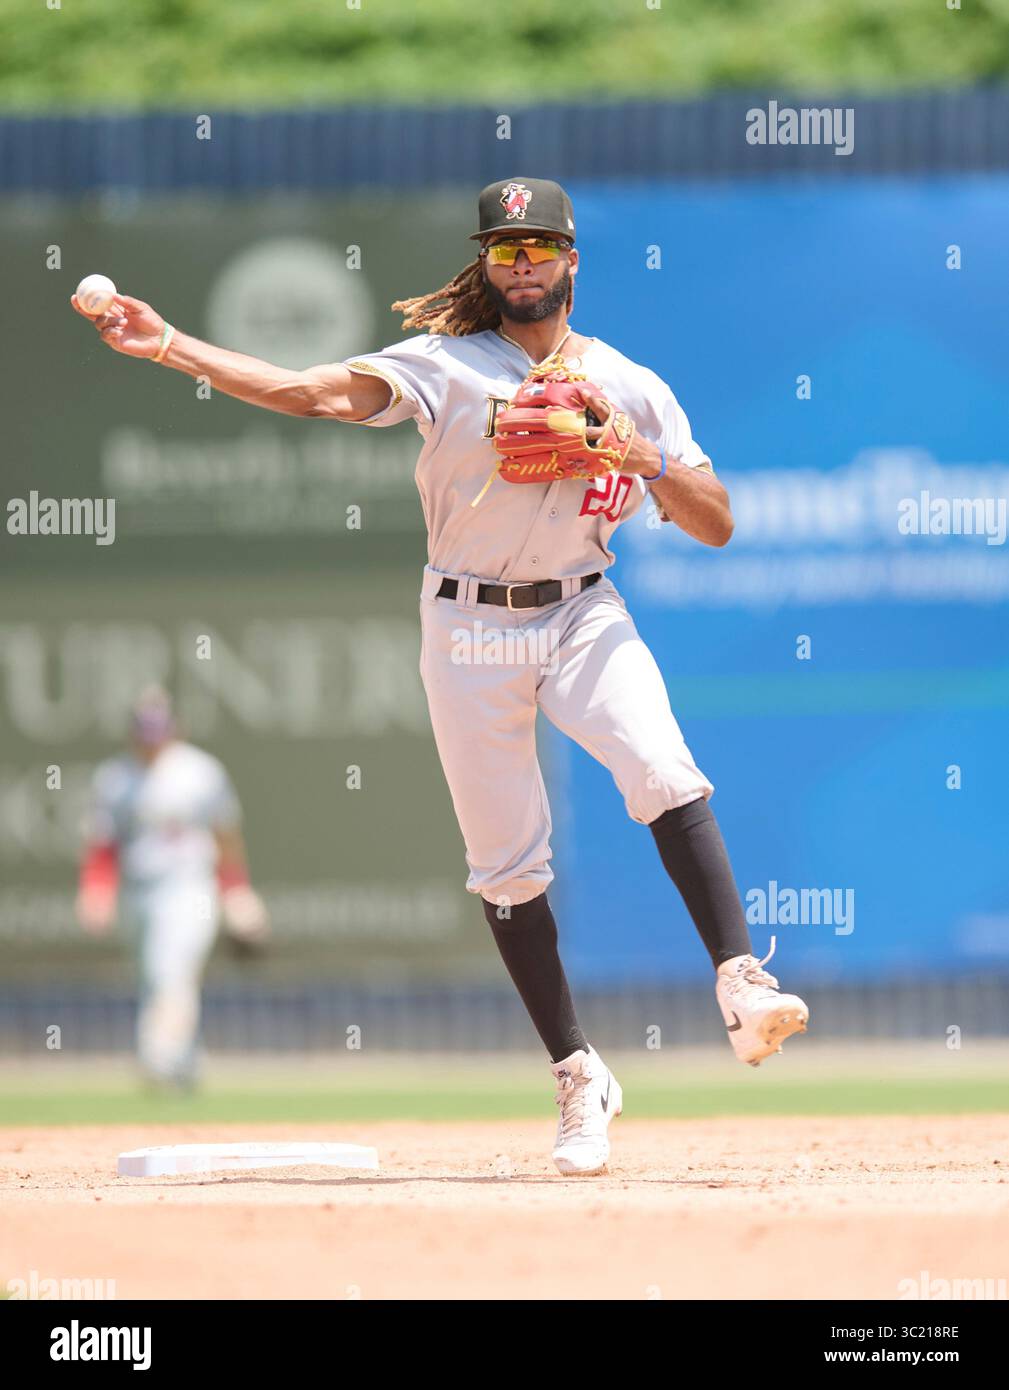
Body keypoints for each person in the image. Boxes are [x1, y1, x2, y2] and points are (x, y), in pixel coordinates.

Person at [71, 176, 808, 1170]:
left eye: (540, 245)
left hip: (584, 605)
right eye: (504, 248)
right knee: (506, 864)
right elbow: (307, 392)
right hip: (467, 622)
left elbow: (716, 520)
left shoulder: (628, 384)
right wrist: (168, 344)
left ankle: (740, 979)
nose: (523, 263)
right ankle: (578, 1074)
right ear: (486, 261)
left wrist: (633, 454)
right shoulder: (446, 366)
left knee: (661, 766)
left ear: (572, 258)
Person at [76, 687, 268, 1088]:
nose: (152, 738)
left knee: (171, 970)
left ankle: (159, 1057)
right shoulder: (115, 779)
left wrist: (236, 890)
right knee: (151, 976)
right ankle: (186, 1065)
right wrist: (96, 889)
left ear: (175, 728)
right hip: (138, 888)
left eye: (158, 728)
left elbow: (225, 835)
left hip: (189, 887)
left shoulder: (200, 772)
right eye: (145, 729)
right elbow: (103, 843)